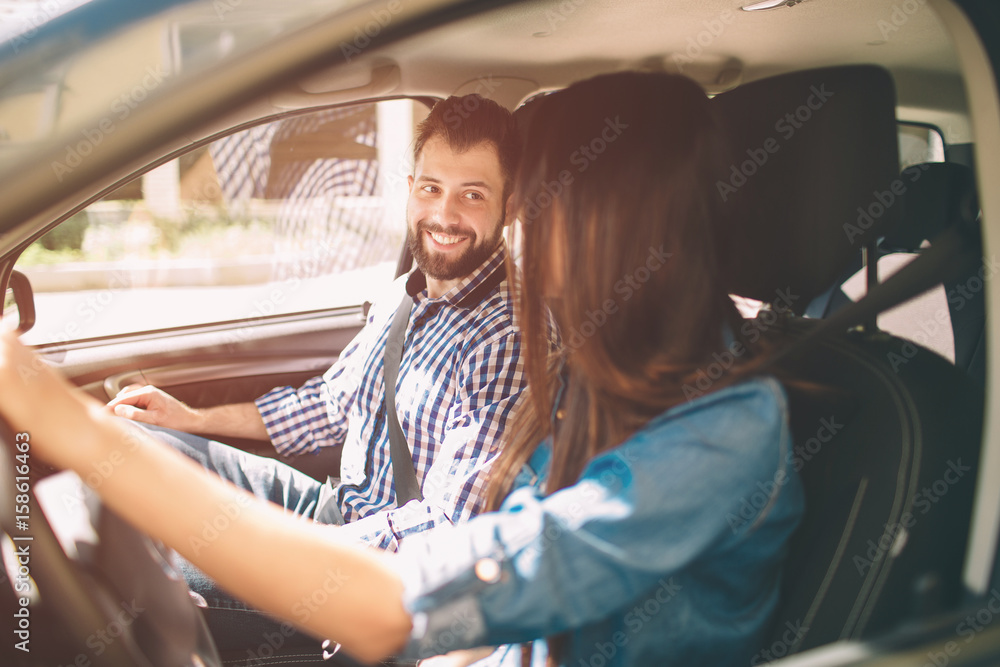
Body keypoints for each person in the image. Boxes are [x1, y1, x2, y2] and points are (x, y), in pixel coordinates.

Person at [0, 71, 804, 666]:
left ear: (603, 226)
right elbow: (478, 598)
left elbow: (407, 603)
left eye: (523, 208)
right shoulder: (598, 377)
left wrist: (68, 421)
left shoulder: (726, 432)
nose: (512, 238)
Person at [103, 93, 528, 649]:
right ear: (410, 190)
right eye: (431, 189)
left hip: (375, 579)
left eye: (472, 195)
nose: (445, 215)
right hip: (333, 508)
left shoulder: (507, 337)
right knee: (132, 445)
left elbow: (449, 531)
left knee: (145, 588)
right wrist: (192, 418)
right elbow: (330, 405)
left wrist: (287, 549)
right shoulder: (408, 293)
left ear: (510, 204)